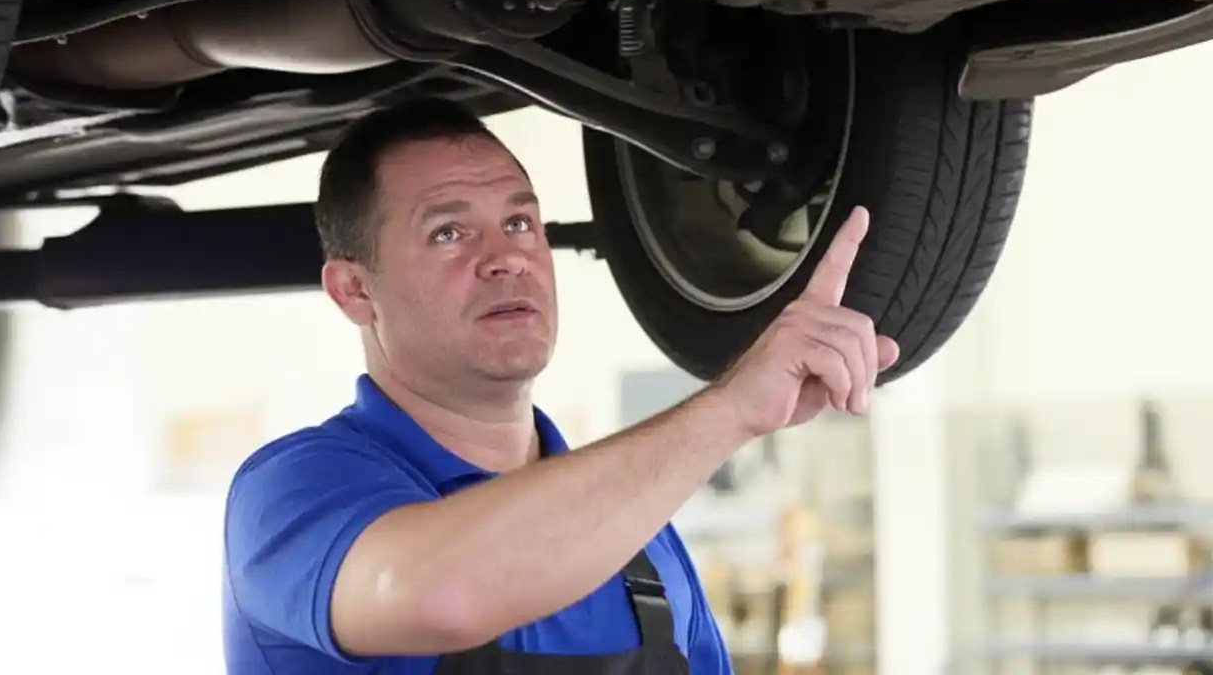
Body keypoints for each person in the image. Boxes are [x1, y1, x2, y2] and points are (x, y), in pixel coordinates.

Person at [221, 98, 900, 675]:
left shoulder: (641, 540)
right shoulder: (294, 490)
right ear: (353, 289)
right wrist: (731, 411)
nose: (508, 257)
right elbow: (442, 593)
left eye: (520, 223)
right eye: (449, 231)